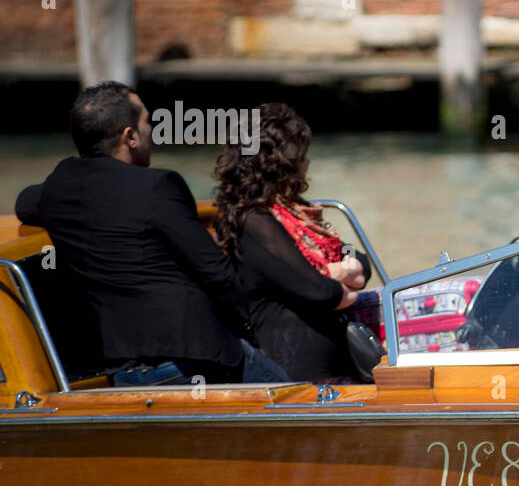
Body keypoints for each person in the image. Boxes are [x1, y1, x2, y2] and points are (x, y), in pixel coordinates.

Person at [15, 81, 284, 386]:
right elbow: (216, 273)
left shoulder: (56, 192)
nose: (153, 131)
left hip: (125, 371)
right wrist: (249, 333)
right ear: (129, 136)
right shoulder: (159, 186)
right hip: (193, 358)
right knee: (296, 408)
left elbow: (25, 202)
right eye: (148, 122)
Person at [213, 103, 371, 383]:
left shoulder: (296, 212)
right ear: (278, 165)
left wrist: (336, 273)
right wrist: (341, 277)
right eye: (301, 155)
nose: (307, 163)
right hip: (301, 376)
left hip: (337, 364)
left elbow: (360, 262)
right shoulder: (254, 222)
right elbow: (322, 292)